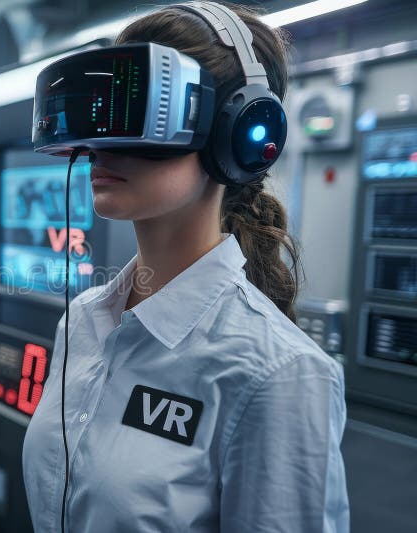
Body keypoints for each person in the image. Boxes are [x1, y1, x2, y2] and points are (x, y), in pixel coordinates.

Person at [22, 2, 350, 532]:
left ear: (235, 134)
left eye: (138, 112)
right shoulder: (81, 320)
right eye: (102, 115)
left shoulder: (279, 373)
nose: (102, 145)